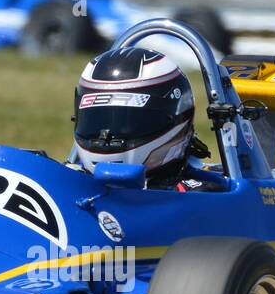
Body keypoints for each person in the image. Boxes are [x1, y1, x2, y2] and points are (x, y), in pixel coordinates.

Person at [72, 46, 224, 192]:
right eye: (98, 119)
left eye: (127, 123)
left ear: (176, 119)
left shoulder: (200, 195)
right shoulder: (69, 182)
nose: (105, 137)